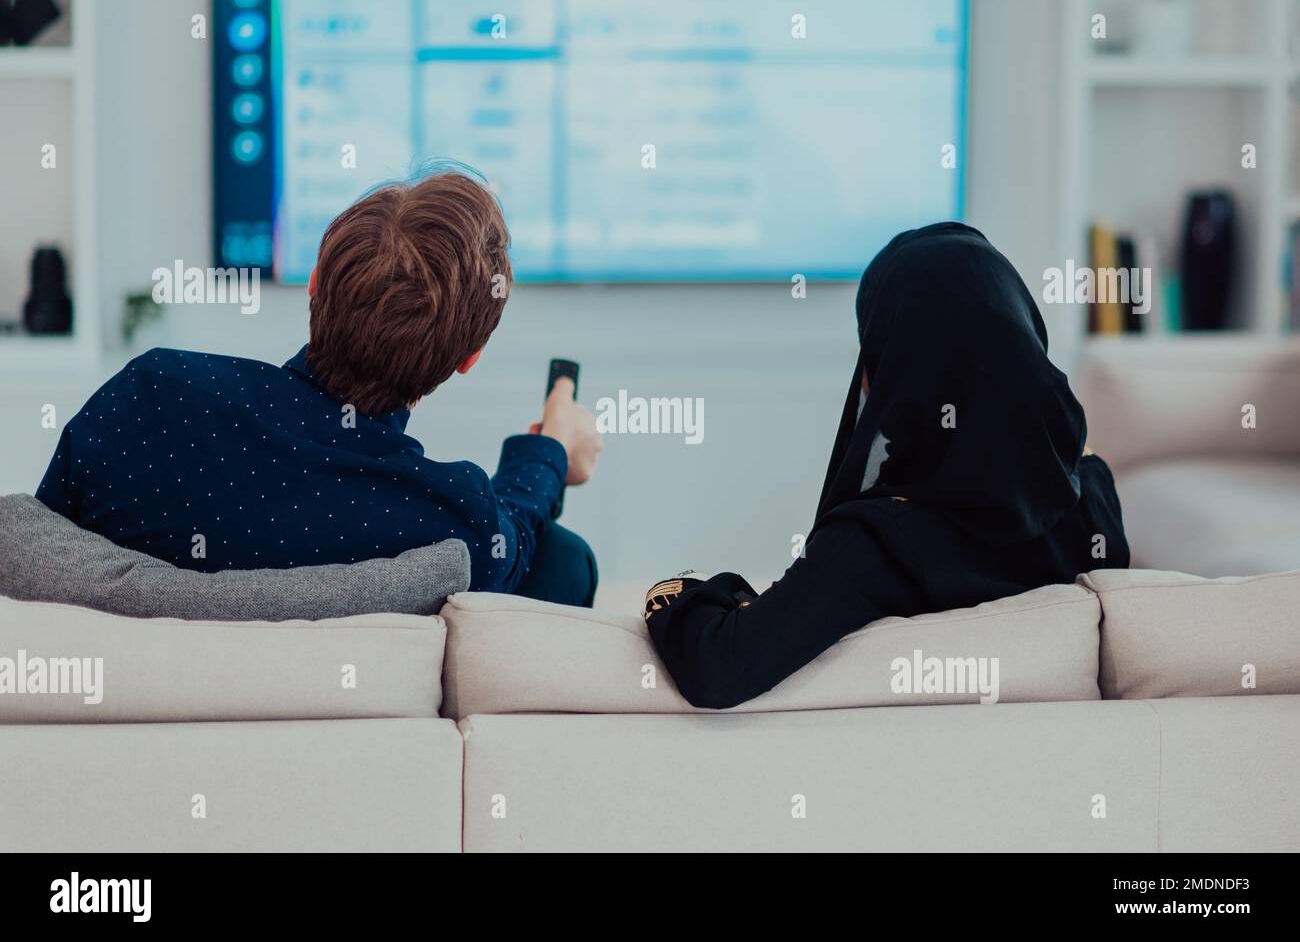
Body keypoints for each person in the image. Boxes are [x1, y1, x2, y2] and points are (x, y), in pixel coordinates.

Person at [36, 169, 603, 607]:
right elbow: (517, 538)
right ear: (469, 358)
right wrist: (551, 448)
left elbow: (49, 554)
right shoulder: (448, 520)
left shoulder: (147, 395)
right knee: (562, 560)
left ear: (313, 284)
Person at [643, 222, 1128, 708]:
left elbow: (720, 668)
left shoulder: (876, 546)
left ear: (893, 372)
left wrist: (680, 593)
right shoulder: (1093, 501)